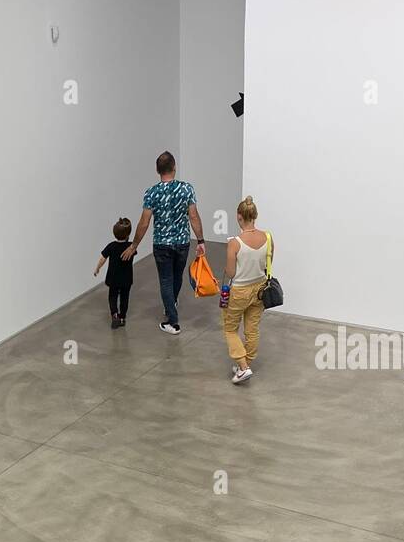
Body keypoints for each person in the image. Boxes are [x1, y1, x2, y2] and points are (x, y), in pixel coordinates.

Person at [122, 150, 205, 334]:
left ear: (157, 170)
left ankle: (172, 321)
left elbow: (144, 222)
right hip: (183, 242)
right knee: (177, 277)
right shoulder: (186, 188)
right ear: (174, 168)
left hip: (161, 244)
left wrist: (134, 245)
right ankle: (171, 307)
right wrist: (200, 240)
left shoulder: (151, 193)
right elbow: (193, 216)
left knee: (166, 280)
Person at [220, 195, 271, 384]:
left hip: (240, 291)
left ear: (239, 217)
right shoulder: (268, 238)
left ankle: (243, 367)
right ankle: (246, 364)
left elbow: (231, 272)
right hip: (260, 289)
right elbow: (268, 264)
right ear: (255, 216)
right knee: (252, 330)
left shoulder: (235, 243)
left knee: (230, 329)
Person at [94, 217, 136, 328]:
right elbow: (135, 249)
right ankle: (122, 317)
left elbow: (103, 258)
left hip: (113, 278)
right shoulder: (130, 247)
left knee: (112, 296)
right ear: (128, 234)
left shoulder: (111, 246)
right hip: (126, 279)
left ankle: (114, 314)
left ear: (114, 233)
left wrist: (97, 268)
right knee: (124, 297)